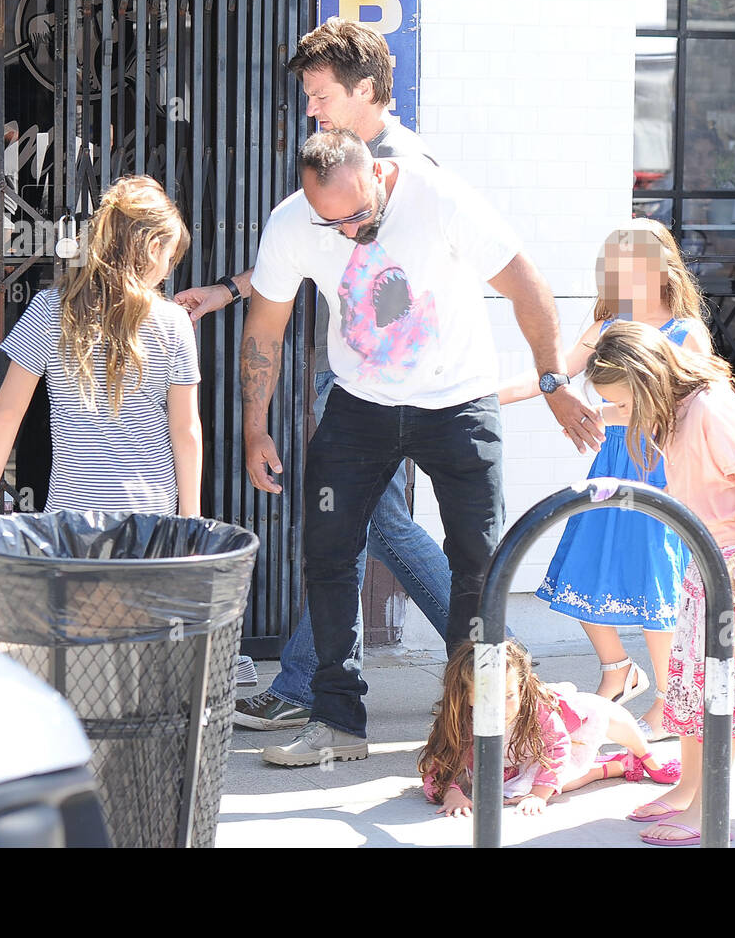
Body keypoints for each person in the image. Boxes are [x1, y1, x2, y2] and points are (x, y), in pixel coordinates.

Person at [243, 129, 604, 767]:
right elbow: (265, 327)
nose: (349, 230)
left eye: (358, 215)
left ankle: (473, 729)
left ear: (379, 176)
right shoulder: (293, 223)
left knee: (477, 563)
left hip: (459, 404)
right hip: (360, 406)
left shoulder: (438, 196)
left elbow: (528, 287)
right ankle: (337, 720)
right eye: (333, 221)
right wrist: (255, 426)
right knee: (327, 554)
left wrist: (552, 382)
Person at [173, 18, 456, 730]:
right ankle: (306, 680)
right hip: (359, 385)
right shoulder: (342, 169)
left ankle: (489, 650)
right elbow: (302, 255)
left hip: (396, 389)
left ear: (365, 90)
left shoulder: (405, 173)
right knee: (348, 532)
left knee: (372, 524)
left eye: (320, 92)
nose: (310, 107)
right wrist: (231, 290)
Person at [500, 219, 712, 740]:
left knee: (655, 585)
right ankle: (617, 669)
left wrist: (616, 415)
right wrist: (485, 393)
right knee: (581, 569)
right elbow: (556, 372)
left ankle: (669, 697)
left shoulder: (685, 332)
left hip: (662, 472)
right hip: (610, 468)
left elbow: (695, 402)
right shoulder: (609, 325)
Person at [584, 321, 735, 846]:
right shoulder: (672, 405)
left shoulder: (710, 408)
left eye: (622, 403)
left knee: (725, 687)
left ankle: (708, 806)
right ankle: (689, 788)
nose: (621, 414)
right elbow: (612, 412)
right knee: (694, 684)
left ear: (645, 380)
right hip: (704, 554)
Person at [0, 175, 200, 519]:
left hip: (71, 514)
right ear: (153, 249)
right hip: (150, 514)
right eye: (170, 258)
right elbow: (185, 430)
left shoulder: (49, 308)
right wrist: (190, 519)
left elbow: (7, 413)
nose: (167, 271)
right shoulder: (173, 322)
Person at [419, 640, 680, 818]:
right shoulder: (459, 717)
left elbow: (557, 746)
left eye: (508, 695)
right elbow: (439, 759)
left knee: (610, 716)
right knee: (548, 785)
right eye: (487, 697)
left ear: (521, 687)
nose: (499, 706)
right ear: (466, 695)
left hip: (569, 732)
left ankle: (646, 757)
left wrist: (539, 795)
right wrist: (451, 793)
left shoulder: (536, 706)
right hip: (522, 756)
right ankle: (615, 766)